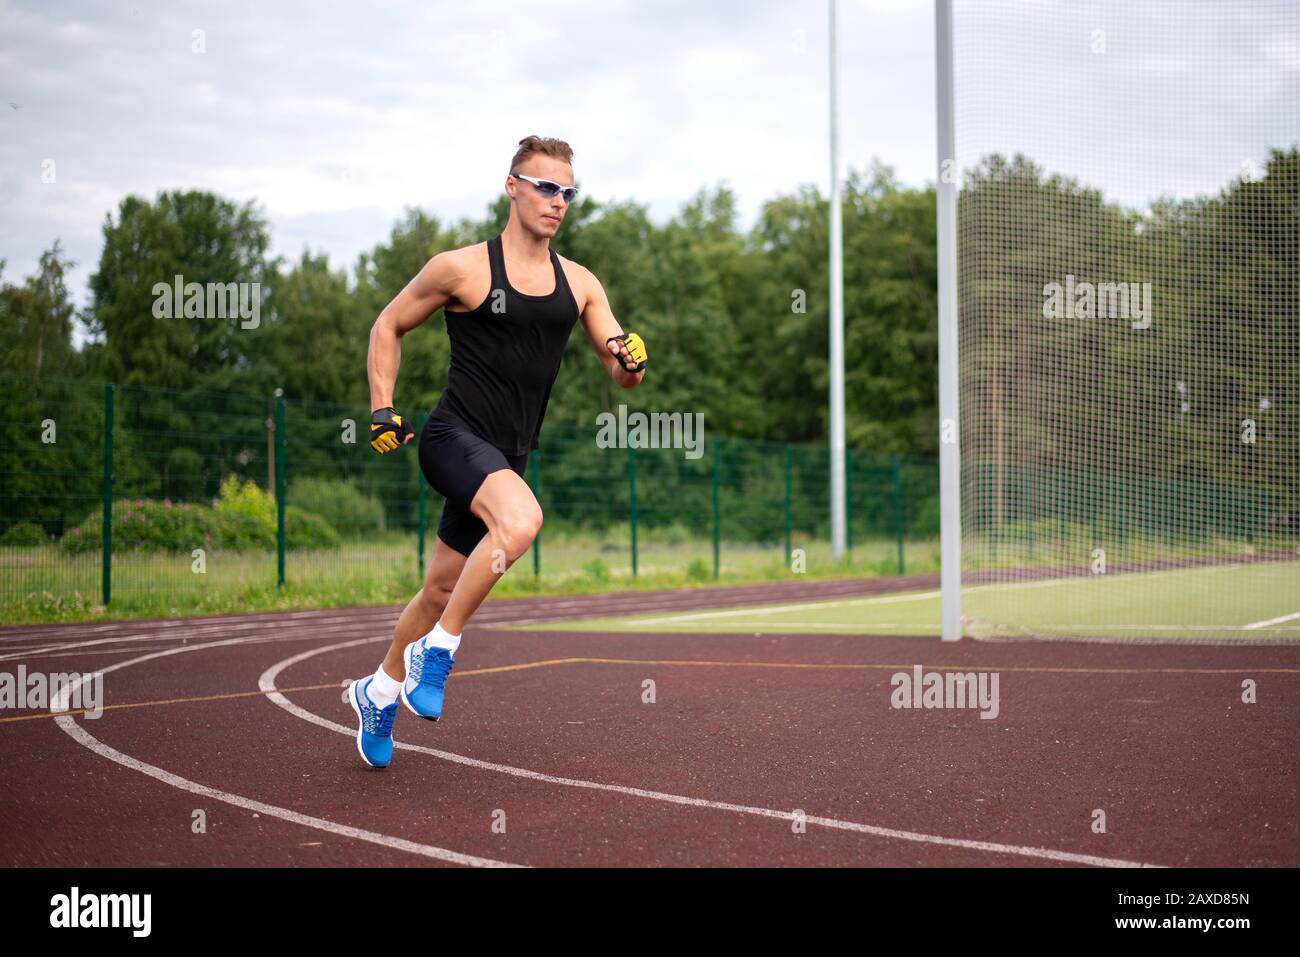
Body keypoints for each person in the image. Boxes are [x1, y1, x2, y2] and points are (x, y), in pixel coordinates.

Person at [349, 135, 648, 768]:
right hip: (451, 438)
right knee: (523, 520)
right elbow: (388, 325)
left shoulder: (581, 284)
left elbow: (620, 372)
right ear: (512, 186)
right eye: (545, 187)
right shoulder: (461, 268)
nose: (557, 202)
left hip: (507, 458)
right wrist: (382, 406)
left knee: (436, 589)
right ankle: (440, 651)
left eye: (568, 192)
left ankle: (376, 690)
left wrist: (632, 362)